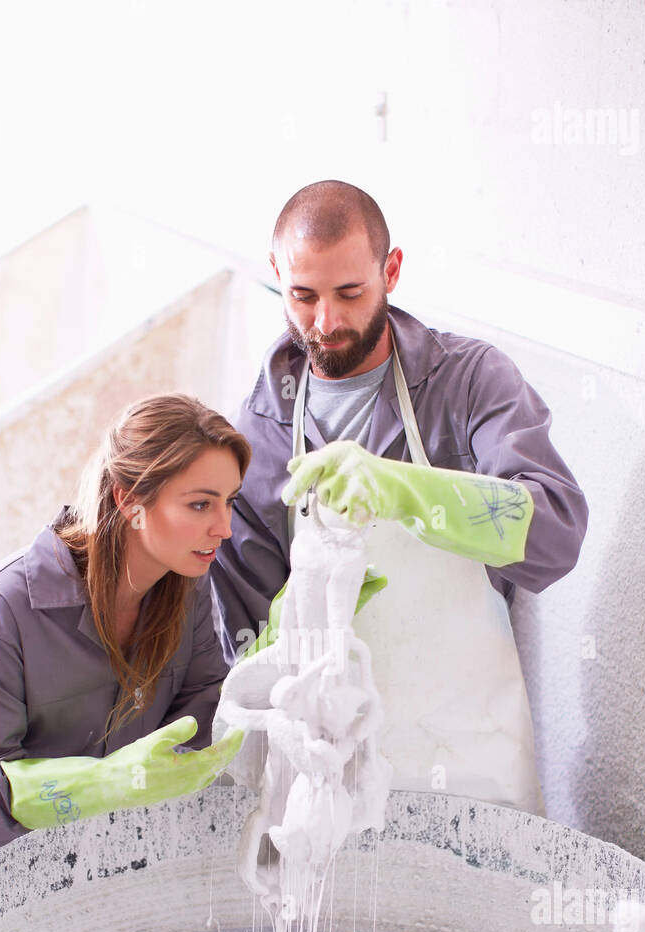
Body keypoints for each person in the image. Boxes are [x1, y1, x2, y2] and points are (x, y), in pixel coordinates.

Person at [211, 181, 589, 813]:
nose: (325, 323)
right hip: (335, 781)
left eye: (350, 293)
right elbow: (249, 645)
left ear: (391, 271)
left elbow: (555, 534)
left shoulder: (469, 383)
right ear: (276, 273)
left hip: (472, 759)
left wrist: (406, 490)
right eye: (302, 296)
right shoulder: (258, 433)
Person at [0, 394, 249, 919]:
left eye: (230, 501)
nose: (225, 528)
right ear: (130, 501)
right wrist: (107, 783)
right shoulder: (1, 612)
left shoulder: (185, 585)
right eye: (200, 504)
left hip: (90, 848)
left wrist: (275, 656)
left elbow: (203, 703)